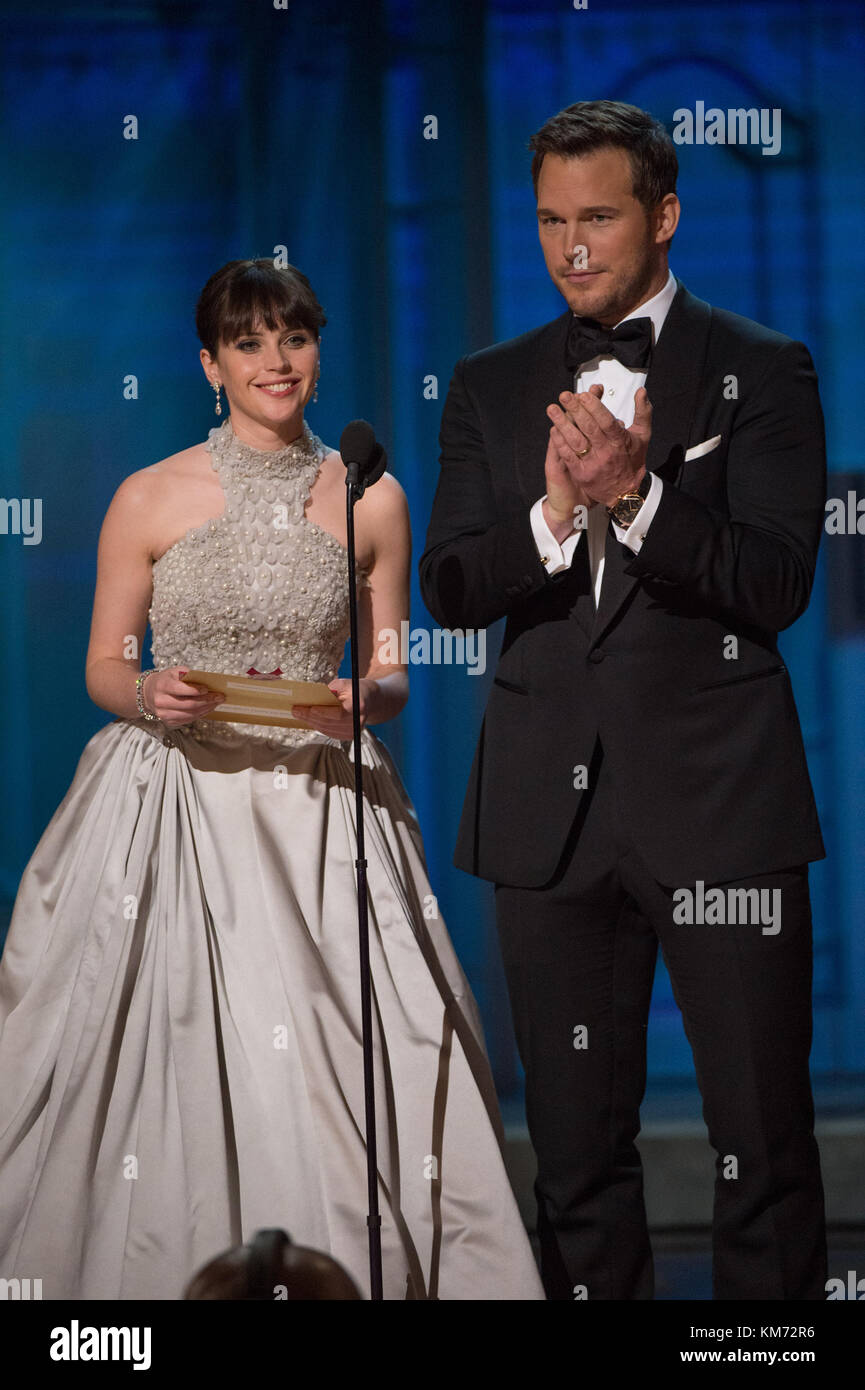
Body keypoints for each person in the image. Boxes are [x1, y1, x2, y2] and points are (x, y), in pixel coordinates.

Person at [0, 258, 544, 1301]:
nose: (275, 361)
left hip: (320, 801)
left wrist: (364, 699)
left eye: (291, 338)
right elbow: (102, 665)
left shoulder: (370, 497)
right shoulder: (148, 494)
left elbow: (390, 671)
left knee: (346, 1047)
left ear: (316, 349)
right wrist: (147, 692)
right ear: (210, 364)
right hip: (172, 802)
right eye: (248, 343)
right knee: (171, 1045)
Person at [420, 100, 828, 1301]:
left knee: (761, 1140)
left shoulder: (763, 366)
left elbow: (775, 580)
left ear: (663, 214)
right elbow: (448, 585)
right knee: (574, 1152)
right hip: (549, 816)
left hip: (719, 805)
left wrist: (638, 493)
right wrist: (553, 516)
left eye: (597, 216)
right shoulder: (492, 387)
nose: (571, 246)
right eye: (549, 220)